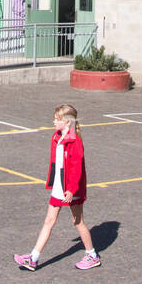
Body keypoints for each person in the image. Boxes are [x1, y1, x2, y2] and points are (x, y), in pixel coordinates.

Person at [14, 104, 101, 271]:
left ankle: (92, 255)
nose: (54, 121)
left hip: (70, 190)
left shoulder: (75, 142)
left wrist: (71, 190)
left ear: (67, 122)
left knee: (78, 221)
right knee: (49, 221)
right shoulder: (57, 137)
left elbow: (76, 169)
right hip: (59, 188)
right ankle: (33, 258)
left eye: (57, 119)